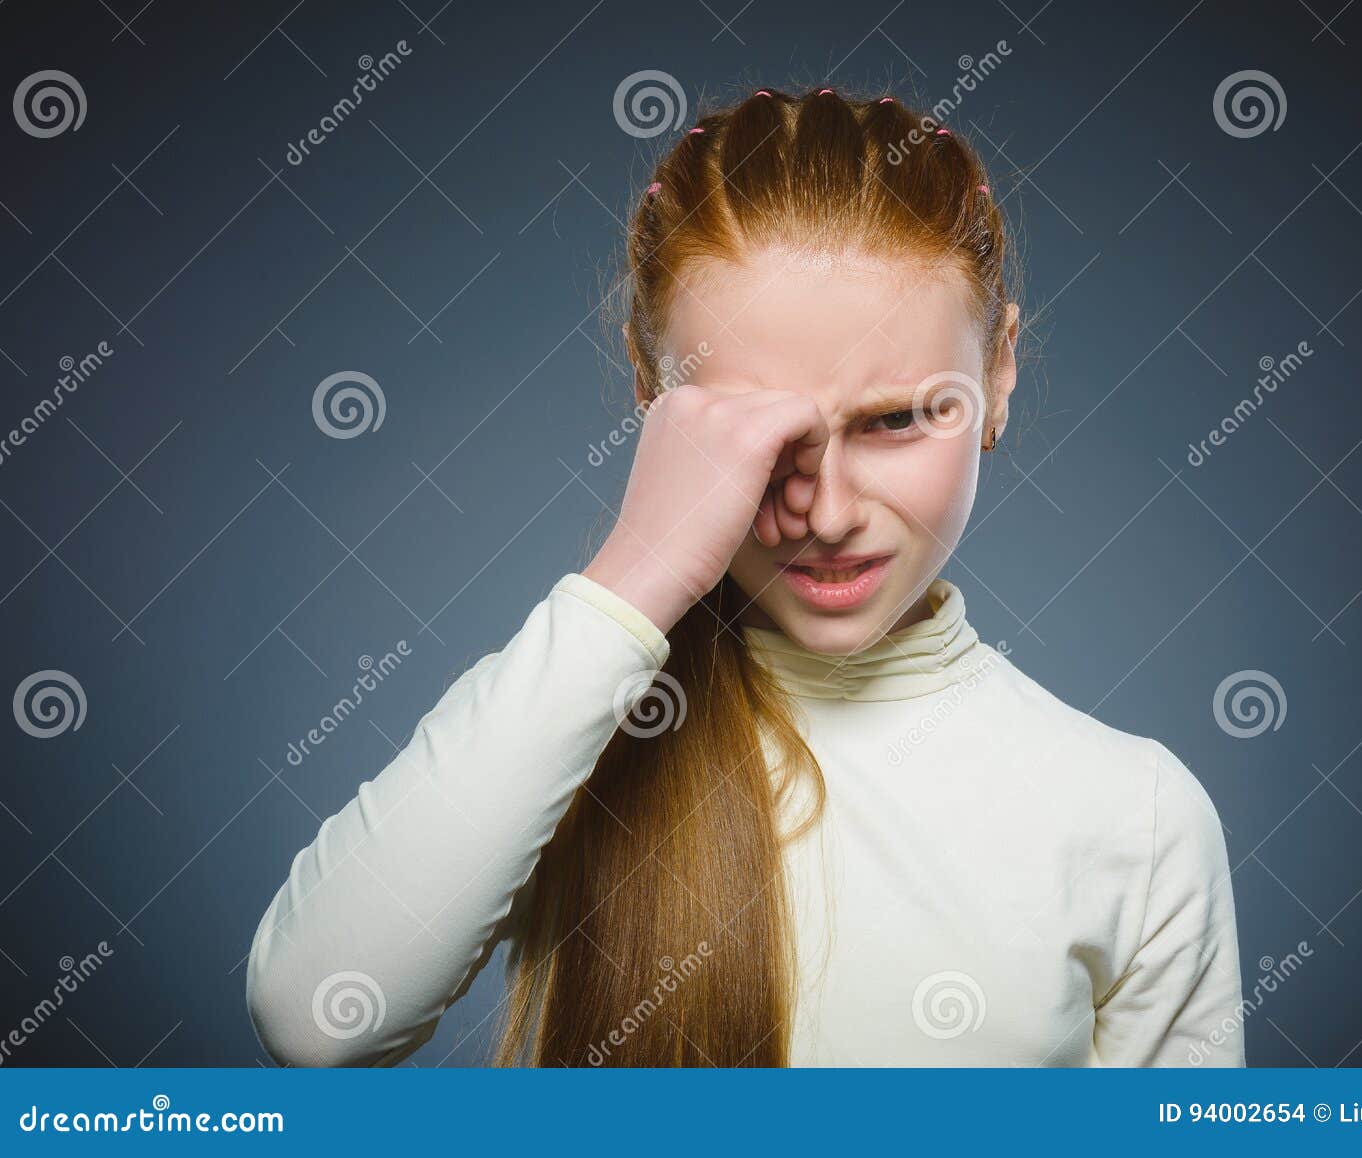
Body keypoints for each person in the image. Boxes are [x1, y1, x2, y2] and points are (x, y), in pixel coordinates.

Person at [245, 86, 1245, 1067]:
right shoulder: (568, 719)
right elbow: (318, 1021)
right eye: (757, 433)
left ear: (999, 376)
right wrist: (641, 568)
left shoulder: (1137, 819)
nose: (827, 511)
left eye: (895, 420)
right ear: (654, 401)